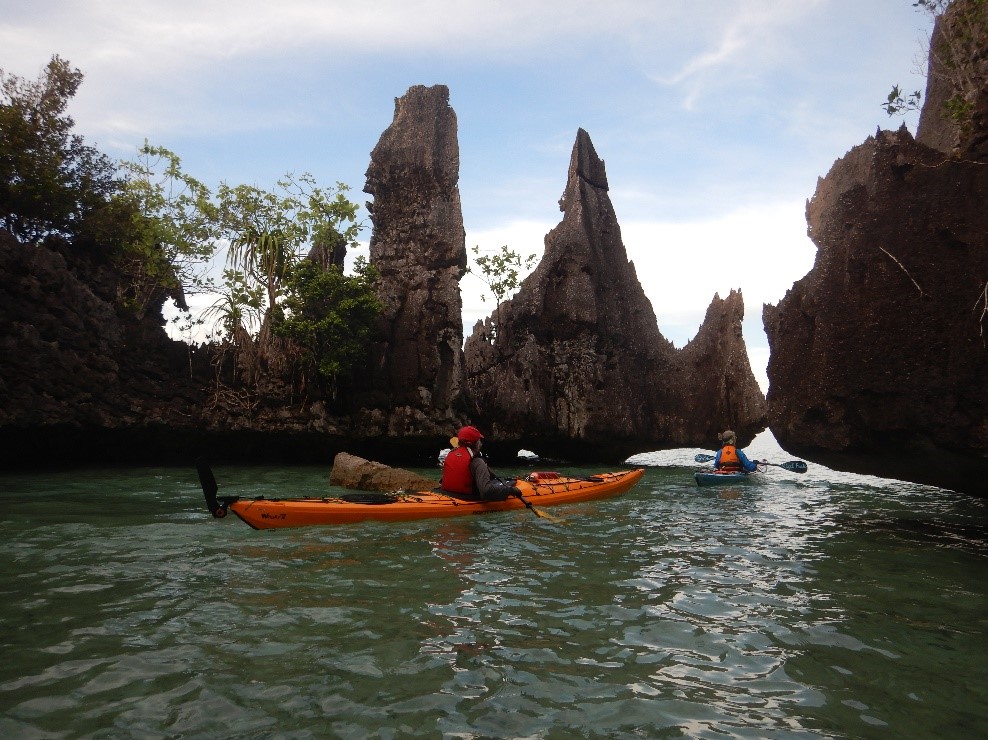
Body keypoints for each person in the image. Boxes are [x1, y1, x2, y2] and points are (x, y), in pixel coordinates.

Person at [441, 425, 522, 502]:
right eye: (479, 440)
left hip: (447, 493)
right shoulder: (477, 462)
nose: (481, 443)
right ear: (476, 443)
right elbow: (486, 492)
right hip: (466, 498)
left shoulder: (451, 454)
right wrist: (511, 490)